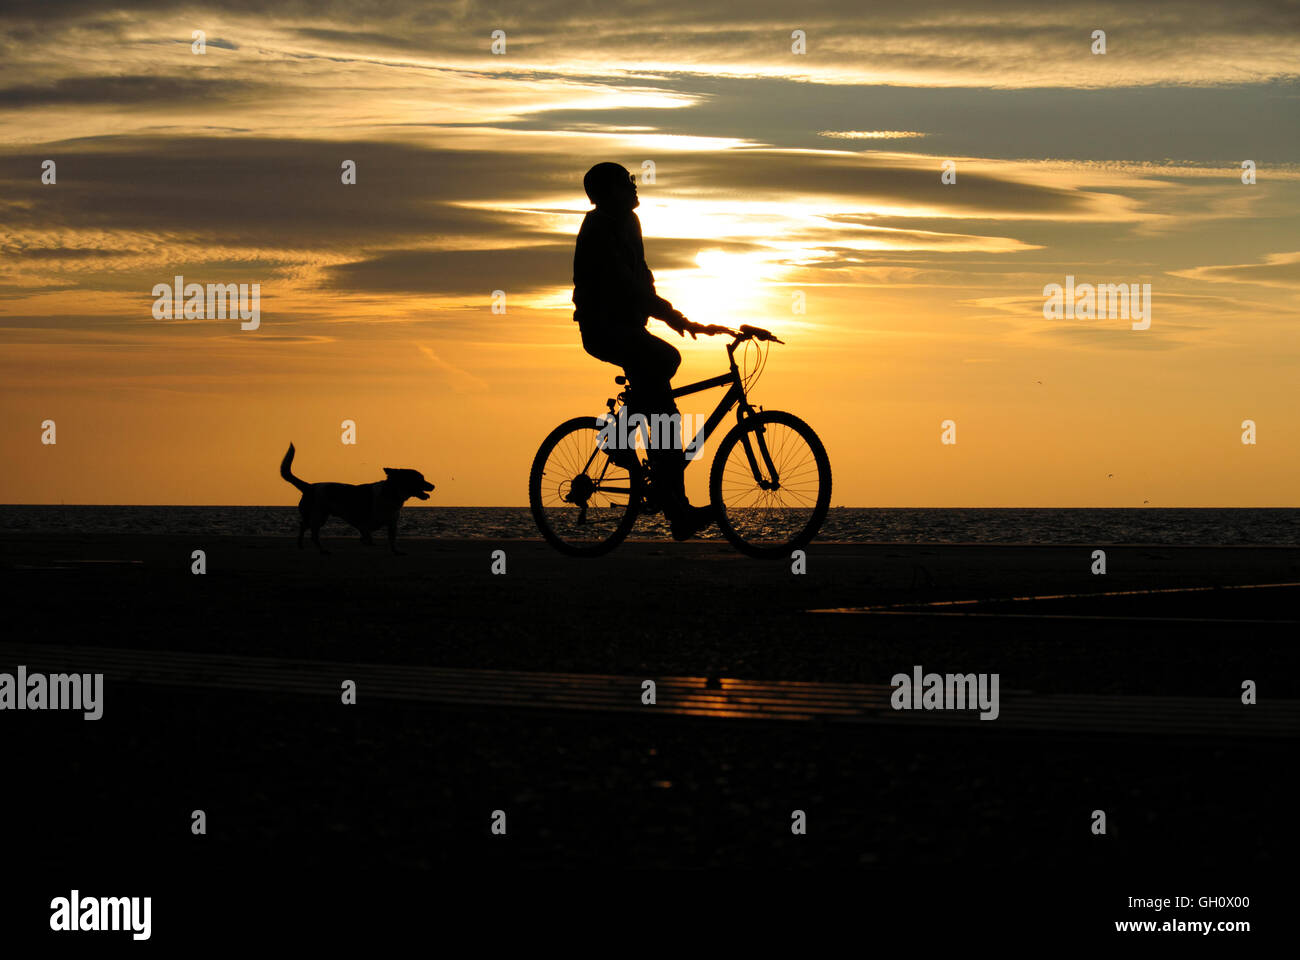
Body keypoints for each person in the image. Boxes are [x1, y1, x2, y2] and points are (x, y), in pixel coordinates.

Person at [572, 161, 725, 540]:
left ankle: (677, 511)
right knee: (666, 361)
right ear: (607, 193)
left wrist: (678, 319)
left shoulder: (629, 224)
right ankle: (618, 436)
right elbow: (627, 285)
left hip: (628, 328)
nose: (635, 187)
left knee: (667, 424)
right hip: (603, 330)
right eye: (628, 183)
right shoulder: (598, 229)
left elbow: (643, 278)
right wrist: (676, 318)